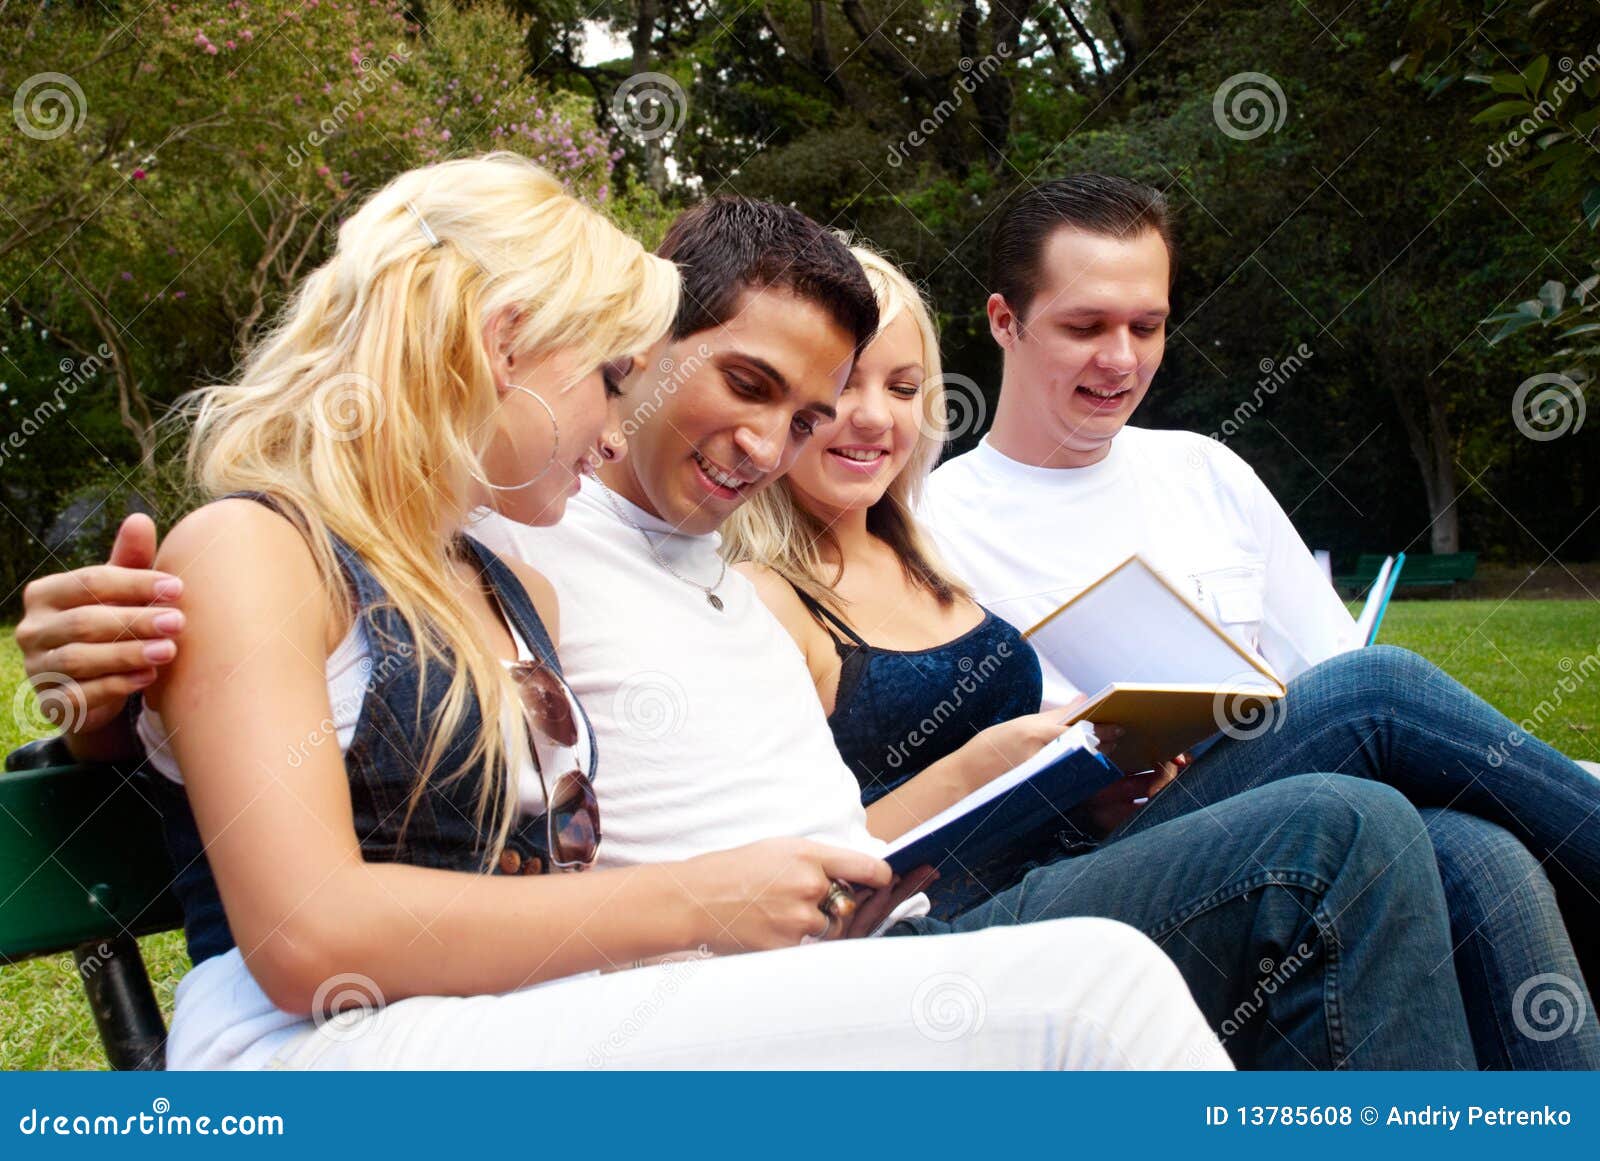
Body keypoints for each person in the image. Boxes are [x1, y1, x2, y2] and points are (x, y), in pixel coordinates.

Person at [17, 190, 1479, 1069]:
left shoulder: (484, 568)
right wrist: (704, 908)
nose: (608, 418)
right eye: (607, 373)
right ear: (492, 345)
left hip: (524, 1017)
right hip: (338, 1057)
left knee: (1315, 886)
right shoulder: (273, 542)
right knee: (1123, 966)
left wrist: (967, 783)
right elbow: (310, 929)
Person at [911, 177, 1600, 1066]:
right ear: (1005, 321)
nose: (1121, 357)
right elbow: (941, 788)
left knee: (1472, 844)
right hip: (1098, 859)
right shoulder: (932, 520)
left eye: (1147, 326)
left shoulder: (1205, 471)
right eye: (1086, 326)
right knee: (1378, 690)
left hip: (1274, 791)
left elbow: (1326, 673)